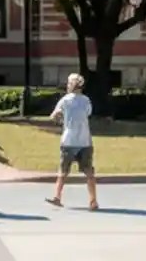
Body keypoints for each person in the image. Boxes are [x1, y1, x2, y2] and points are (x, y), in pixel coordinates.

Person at [45, 73, 97, 211]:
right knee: (89, 172)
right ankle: (93, 201)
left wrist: (60, 119)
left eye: (69, 83)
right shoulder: (86, 100)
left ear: (71, 86)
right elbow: (87, 113)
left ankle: (57, 197)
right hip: (85, 141)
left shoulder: (65, 100)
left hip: (68, 140)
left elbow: (54, 116)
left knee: (62, 171)